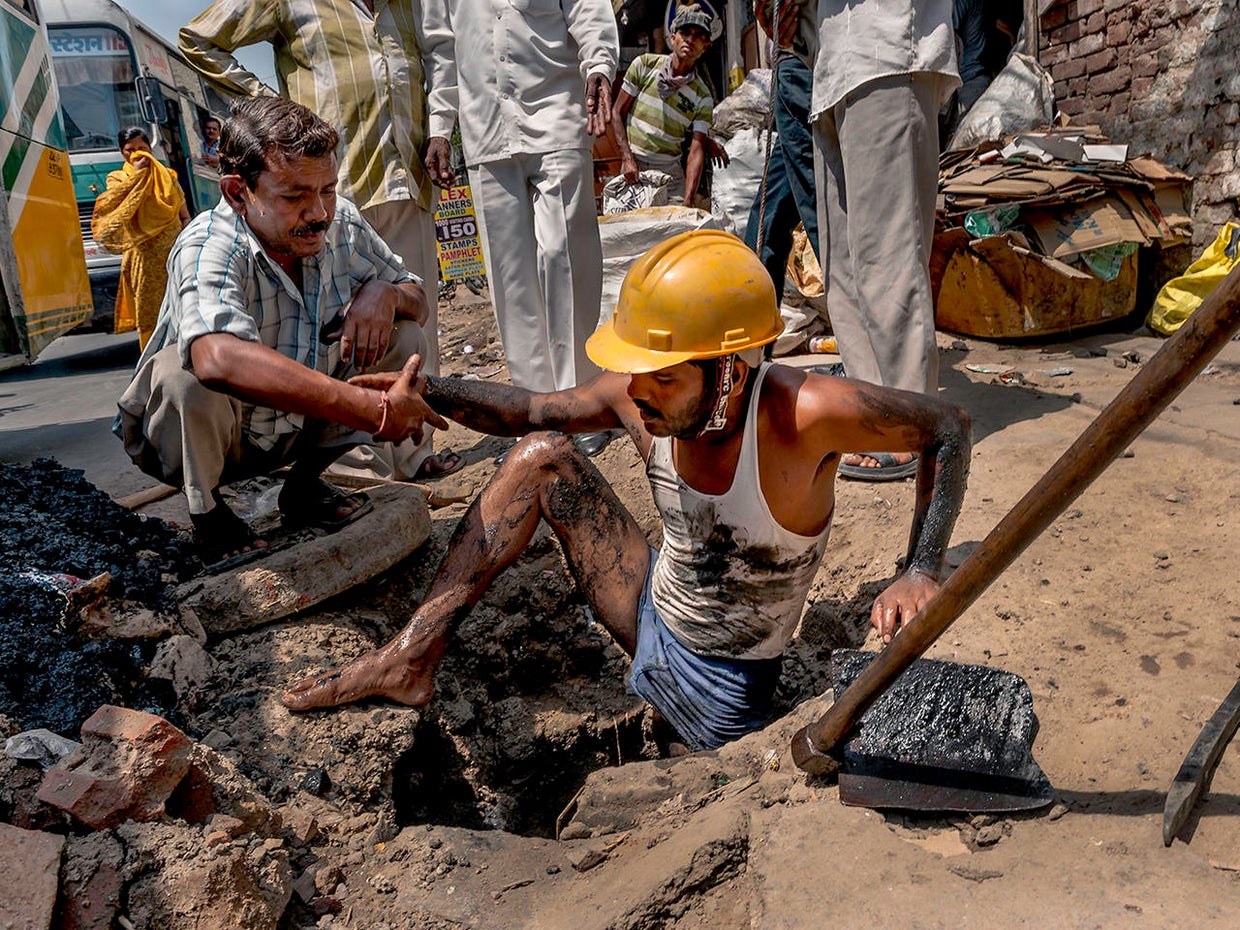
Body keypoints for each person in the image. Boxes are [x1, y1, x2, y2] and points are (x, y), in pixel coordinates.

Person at [280, 230, 972, 753]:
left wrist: (920, 568)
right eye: (637, 372)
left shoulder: (803, 414)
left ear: (729, 370)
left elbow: (948, 426)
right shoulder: (642, 395)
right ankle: (410, 658)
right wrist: (425, 388)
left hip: (726, 693)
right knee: (541, 457)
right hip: (648, 613)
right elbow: (529, 410)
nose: (637, 394)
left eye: (664, 377)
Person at [115, 98, 445, 571]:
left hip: (295, 431)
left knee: (404, 337)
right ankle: (208, 512)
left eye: (327, 190)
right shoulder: (209, 243)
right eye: (294, 197)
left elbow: (418, 300)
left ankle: (305, 484)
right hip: (213, 439)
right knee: (184, 375)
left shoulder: (342, 222)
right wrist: (368, 409)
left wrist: (386, 295)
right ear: (236, 192)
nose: (318, 213)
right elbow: (216, 358)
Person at [179, 0, 461, 481]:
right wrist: (269, 107)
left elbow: (436, 58)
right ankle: (352, 470)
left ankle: (414, 452)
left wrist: (439, 130)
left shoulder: (406, 6)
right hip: (333, 184)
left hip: (404, 172)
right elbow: (197, 38)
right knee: (336, 332)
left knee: (407, 322)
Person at [421, 0, 618, 458]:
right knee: (510, 278)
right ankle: (537, 413)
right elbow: (441, 48)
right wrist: (439, 125)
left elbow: (588, 10)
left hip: (558, 114)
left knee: (566, 257)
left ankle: (582, 407)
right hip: (485, 126)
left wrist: (599, 65)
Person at [809, 1, 960, 480]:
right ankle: (870, 409)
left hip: (888, 46)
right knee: (844, 262)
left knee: (887, 253)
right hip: (836, 64)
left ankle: (908, 423)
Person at [91, 128, 192, 350]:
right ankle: (154, 356)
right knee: (149, 311)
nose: (138, 153)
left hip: (172, 253)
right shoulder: (117, 178)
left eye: (143, 149)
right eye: (131, 150)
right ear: (121, 152)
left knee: (183, 303)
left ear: (150, 149)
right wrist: (138, 176)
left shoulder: (167, 176)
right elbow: (118, 206)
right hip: (143, 258)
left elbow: (183, 215)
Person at [610, 4, 718, 207]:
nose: (690, 40)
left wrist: (688, 199)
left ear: (706, 46)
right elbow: (617, 112)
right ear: (673, 37)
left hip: (671, 172)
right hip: (636, 166)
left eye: (698, 36)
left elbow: (696, 149)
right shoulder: (644, 65)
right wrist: (627, 158)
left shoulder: (702, 96)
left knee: (679, 232)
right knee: (632, 231)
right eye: (685, 32)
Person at [749, 0, 819, 303]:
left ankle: (867, 321)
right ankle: (752, 332)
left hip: (803, 59)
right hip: (804, 60)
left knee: (819, 198)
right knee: (771, 212)